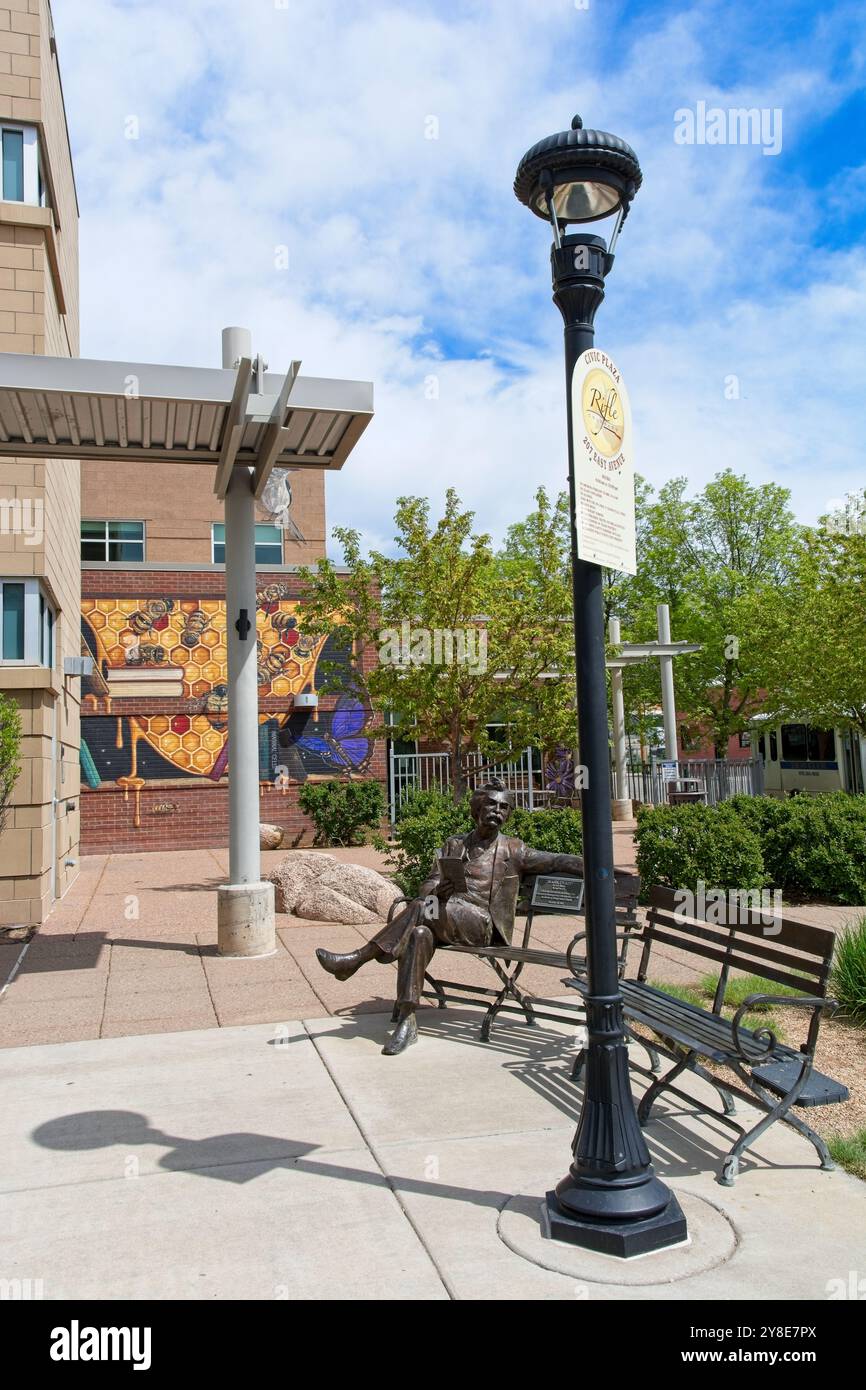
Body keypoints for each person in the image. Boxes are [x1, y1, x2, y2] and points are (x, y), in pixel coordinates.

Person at [316, 780, 584, 1054]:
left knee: (421, 907)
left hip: (482, 926)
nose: (497, 811)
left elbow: (557, 861)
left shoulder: (514, 849)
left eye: (504, 807)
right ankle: (408, 1021)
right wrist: (438, 889)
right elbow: (427, 885)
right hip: (445, 918)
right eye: (491, 804)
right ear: (477, 809)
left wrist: (597, 868)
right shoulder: (454, 844)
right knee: (419, 934)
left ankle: (358, 958)